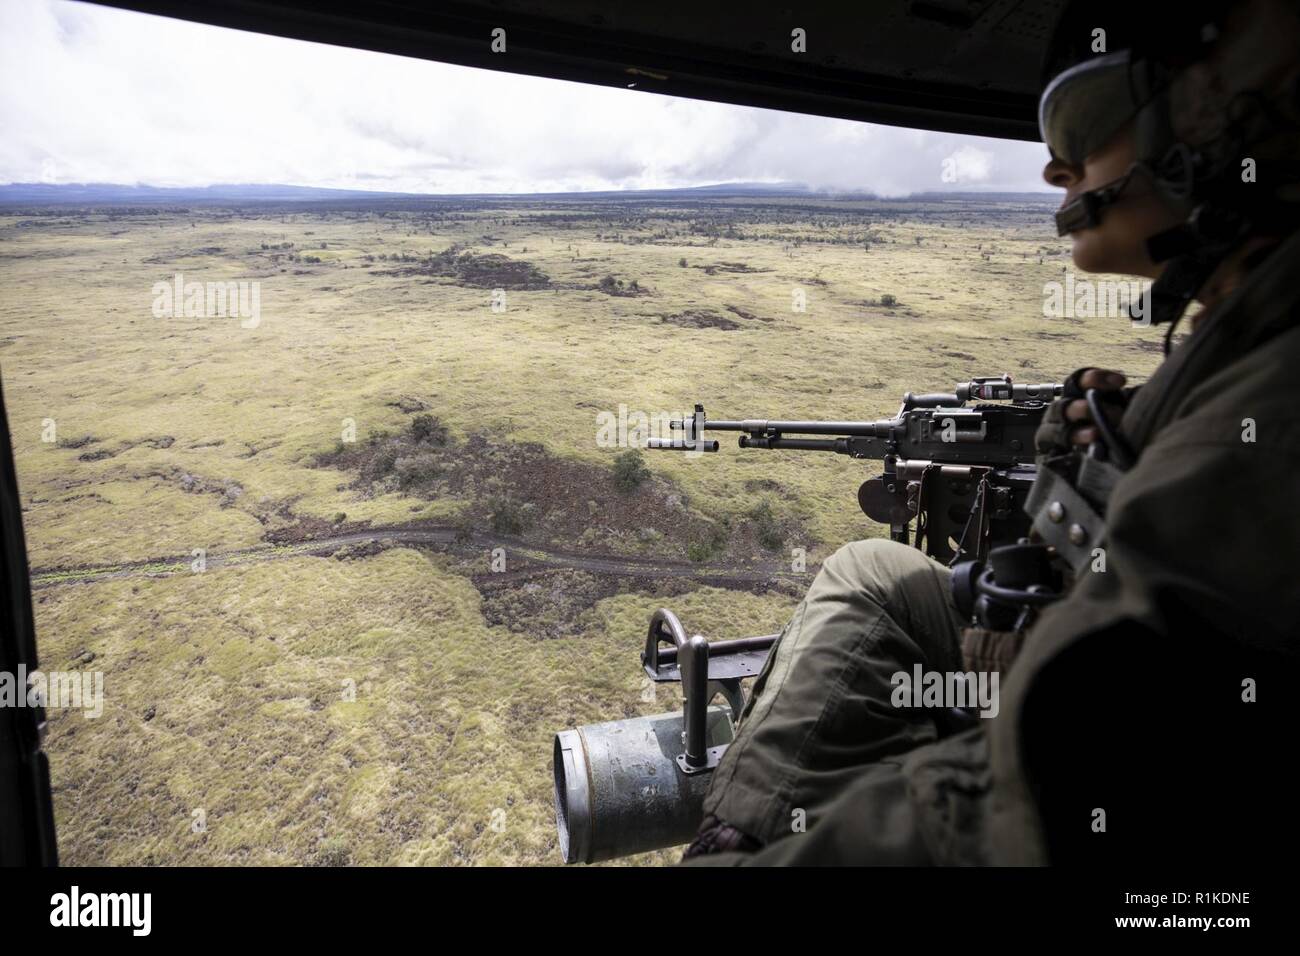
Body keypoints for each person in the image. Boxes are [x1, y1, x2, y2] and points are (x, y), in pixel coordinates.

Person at [683, 0, 1300, 865]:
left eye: (1080, 122)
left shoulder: (1271, 402)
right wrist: (1097, 453)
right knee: (877, 571)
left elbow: (1067, 773)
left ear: (1215, 115)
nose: (1056, 168)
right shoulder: (1243, 331)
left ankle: (735, 849)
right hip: (1069, 644)